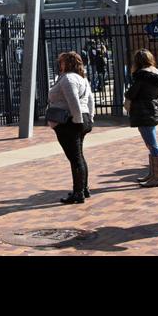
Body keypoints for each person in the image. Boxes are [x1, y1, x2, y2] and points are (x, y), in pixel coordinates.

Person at [47, 52, 95, 203]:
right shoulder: (82, 78)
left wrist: (77, 120)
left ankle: (78, 193)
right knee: (79, 156)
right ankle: (84, 189)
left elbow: (73, 100)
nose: (59, 64)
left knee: (75, 158)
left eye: (61, 62)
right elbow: (90, 100)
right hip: (81, 119)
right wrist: (90, 118)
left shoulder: (68, 79)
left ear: (67, 63)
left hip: (70, 122)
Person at [126, 49, 158, 188]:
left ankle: (157, 177)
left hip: (143, 112)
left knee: (152, 145)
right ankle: (153, 174)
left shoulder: (142, 76)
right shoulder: (157, 73)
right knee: (151, 143)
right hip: (153, 109)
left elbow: (132, 93)